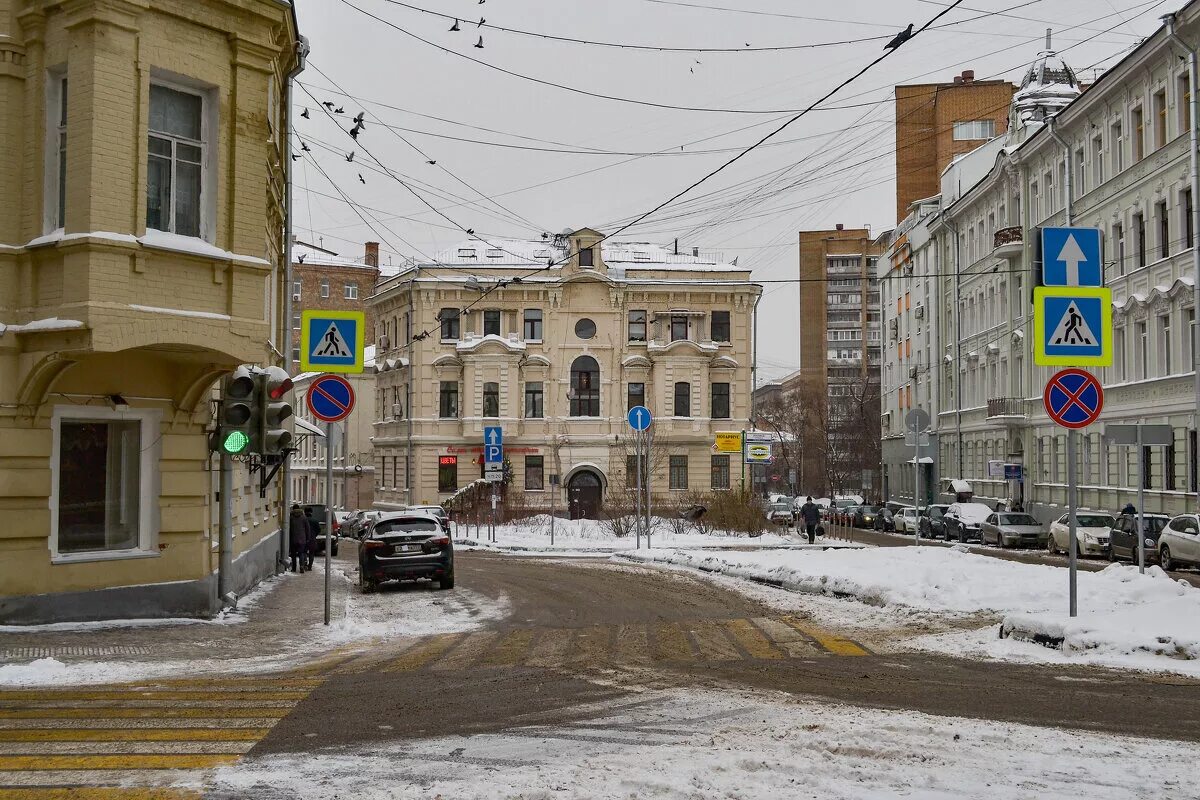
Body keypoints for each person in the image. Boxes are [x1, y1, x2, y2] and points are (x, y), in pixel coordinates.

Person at [288, 505, 308, 573]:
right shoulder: (304, 518)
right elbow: (307, 529)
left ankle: (294, 568)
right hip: (302, 539)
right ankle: (301, 566)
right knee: (301, 553)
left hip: (293, 539)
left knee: (293, 554)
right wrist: (307, 538)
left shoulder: (291, 518)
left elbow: (288, 529)